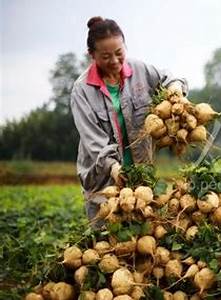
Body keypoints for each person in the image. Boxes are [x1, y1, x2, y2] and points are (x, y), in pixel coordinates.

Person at [71, 16, 188, 222]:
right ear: (92, 55)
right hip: (104, 180)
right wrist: (115, 168)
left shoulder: (140, 70)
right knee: (106, 239)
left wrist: (176, 90)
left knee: (146, 231)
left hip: (142, 175)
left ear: (125, 46)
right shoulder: (82, 91)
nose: (115, 61)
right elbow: (93, 142)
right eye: (106, 56)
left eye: (119, 53)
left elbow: (170, 78)